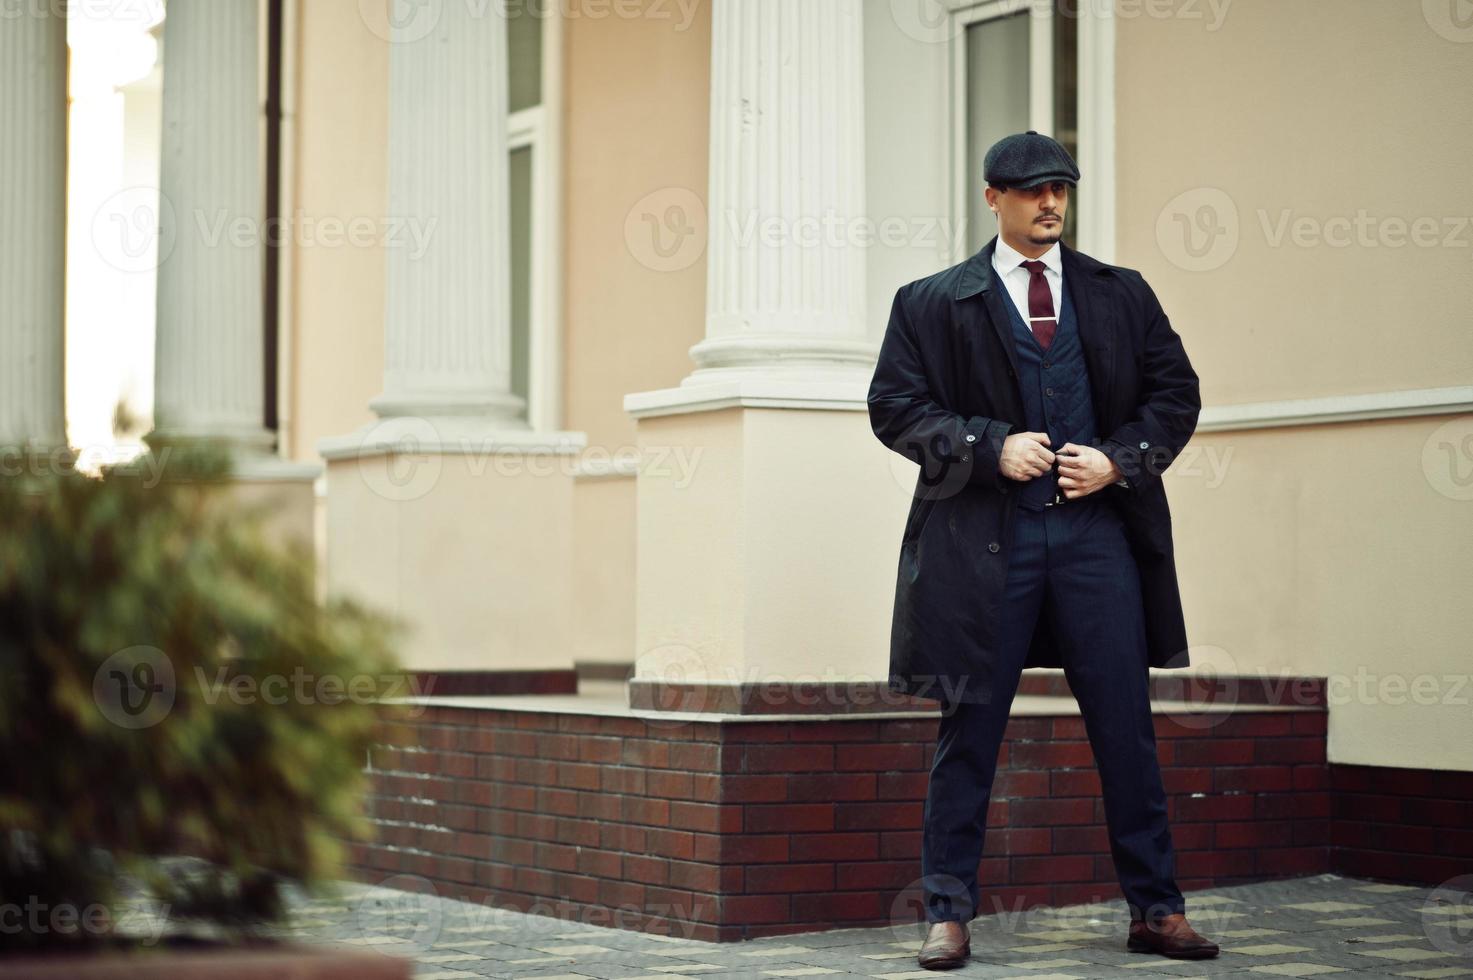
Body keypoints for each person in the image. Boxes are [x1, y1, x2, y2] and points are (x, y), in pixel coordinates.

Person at [865, 131, 1219, 969]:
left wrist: (1118, 461)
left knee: (1125, 729)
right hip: (983, 543)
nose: (1049, 202)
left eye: (1059, 187)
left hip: (1097, 537)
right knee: (969, 730)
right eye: (1030, 190)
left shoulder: (1119, 293)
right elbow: (895, 406)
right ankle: (947, 911)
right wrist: (987, 448)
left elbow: (1176, 394)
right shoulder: (929, 300)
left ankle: (1155, 909)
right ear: (993, 197)